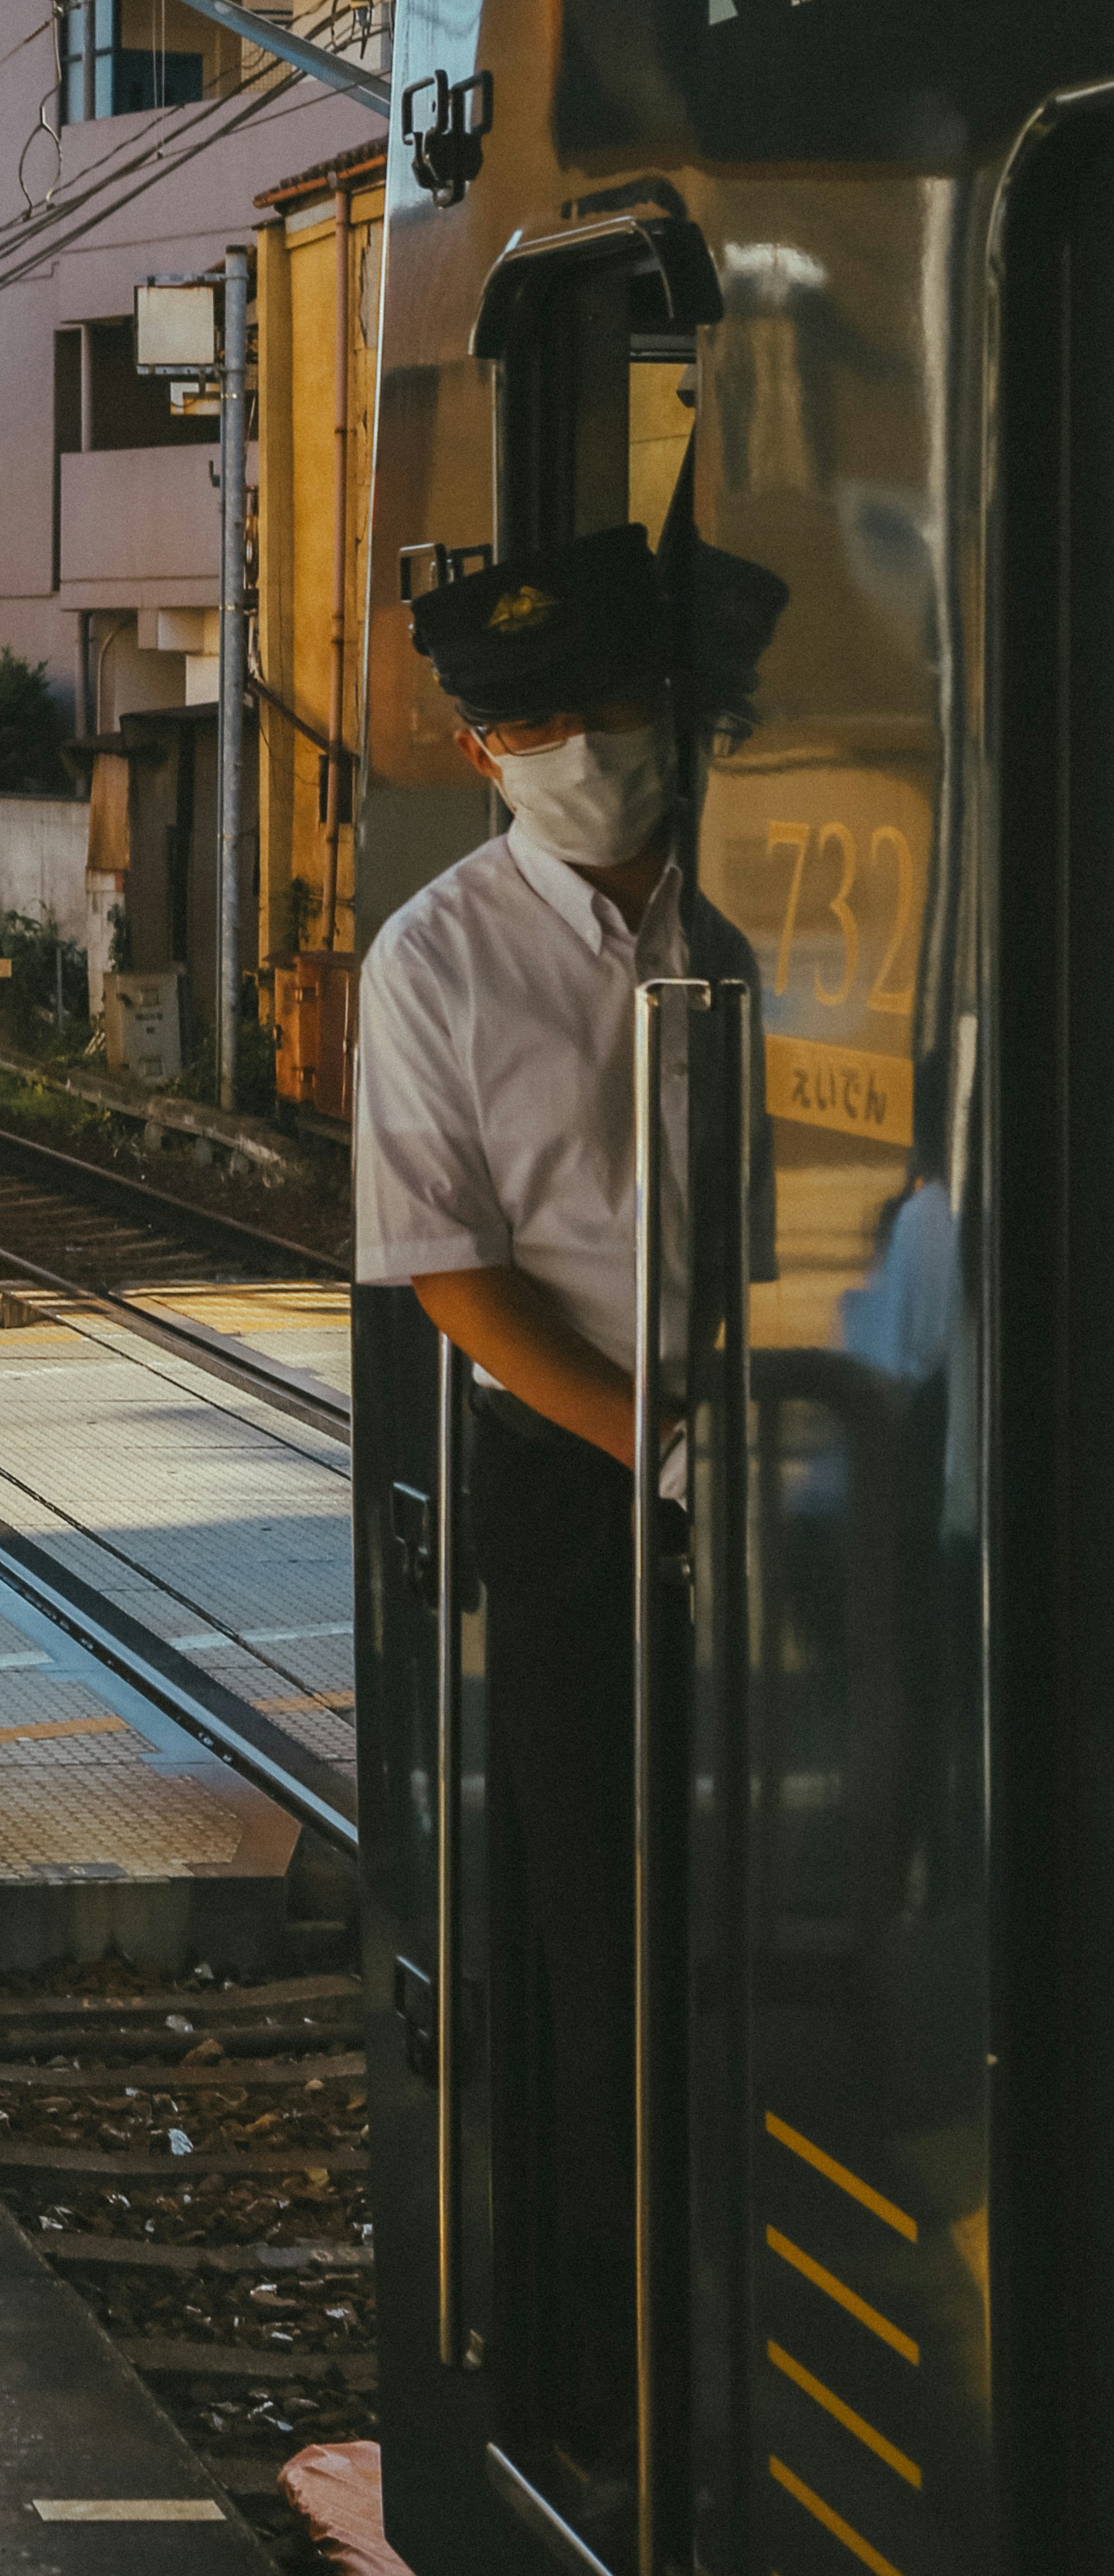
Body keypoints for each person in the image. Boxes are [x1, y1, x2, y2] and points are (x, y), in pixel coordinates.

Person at [357, 518, 771, 2472]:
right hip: (579, 1488)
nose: (578, 744)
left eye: (603, 703)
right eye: (531, 718)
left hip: (812, 1444)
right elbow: (449, 1271)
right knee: (603, 1941)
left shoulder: (766, 903)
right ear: (475, 750)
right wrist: (665, 1448)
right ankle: (622, 2397)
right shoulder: (433, 956)